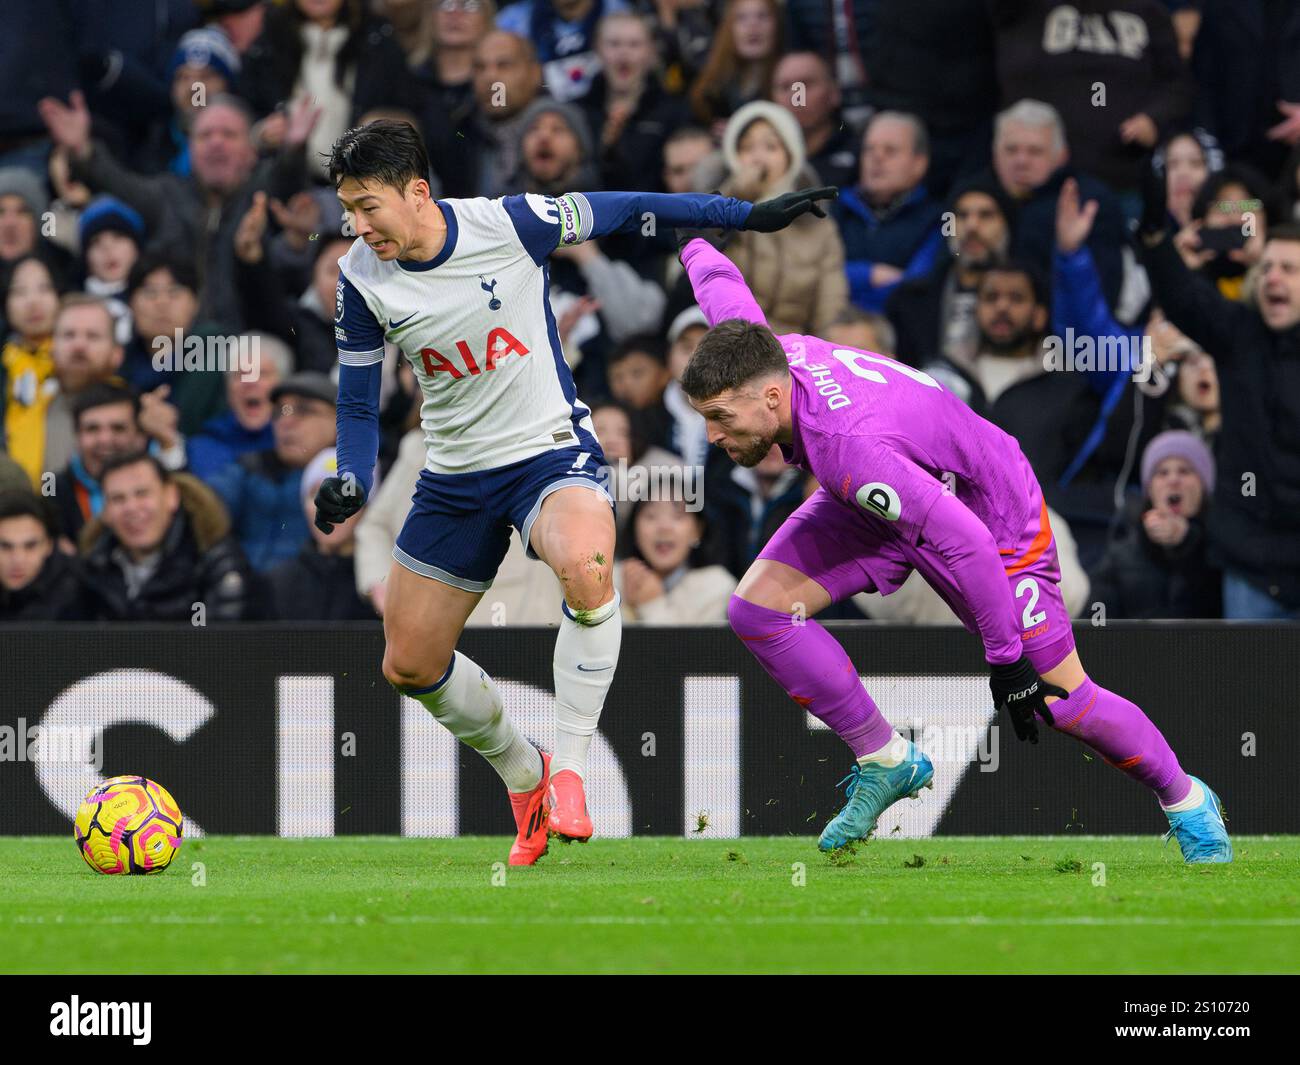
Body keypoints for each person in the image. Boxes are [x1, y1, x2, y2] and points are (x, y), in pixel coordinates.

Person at [316, 119, 832, 863]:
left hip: (547, 455)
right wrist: (351, 479)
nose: (357, 226)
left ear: (418, 193)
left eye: (368, 207)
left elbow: (625, 207)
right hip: (454, 476)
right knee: (409, 666)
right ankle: (524, 777)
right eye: (348, 210)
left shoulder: (511, 223)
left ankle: (570, 772)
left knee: (589, 568)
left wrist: (744, 214)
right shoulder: (362, 278)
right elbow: (360, 403)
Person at [674, 230, 1234, 864]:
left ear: (772, 397)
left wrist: (1006, 662)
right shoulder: (759, 354)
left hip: (989, 511)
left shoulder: (845, 444)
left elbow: (965, 542)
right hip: (892, 490)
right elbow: (723, 285)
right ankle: (884, 758)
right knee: (757, 610)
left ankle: (1186, 799)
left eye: (720, 418)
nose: (714, 435)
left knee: (1061, 699)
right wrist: (694, 232)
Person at [1139, 166, 1300, 621]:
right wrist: (1155, 237)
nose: (1273, 279)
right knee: (1250, 692)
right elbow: (1182, 297)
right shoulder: (1239, 333)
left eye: (1289, 269)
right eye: (1267, 268)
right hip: (1250, 569)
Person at [78, 450, 255, 622]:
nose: (131, 508)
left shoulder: (216, 562)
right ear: (105, 511)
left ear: (171, 496)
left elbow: (223, 644)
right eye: (117, 499)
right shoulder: (91, 568)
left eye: (142, 493)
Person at [1089, 430, 1222, 619]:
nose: (1173, 480)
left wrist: (1187, 540)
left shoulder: (1226, 547)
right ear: (1150, 489)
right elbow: (1094, 623)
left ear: (1203, 485)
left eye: (1185, 471)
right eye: (1162, 472)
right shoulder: (1122, 555)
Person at [614, 498, 736, 623]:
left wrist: (652, 603)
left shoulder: (715, 585)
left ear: (697, 530)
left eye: (678, 516)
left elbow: (697, 643)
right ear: (634, 528)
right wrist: (628, 606)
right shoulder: (613, 580)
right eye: (651, 516)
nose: (664, 527)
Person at [0, 491, 85, 622]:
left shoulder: (82, 596)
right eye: (5, 546)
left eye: (30, 546)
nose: (18, 560)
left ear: (49, 545)